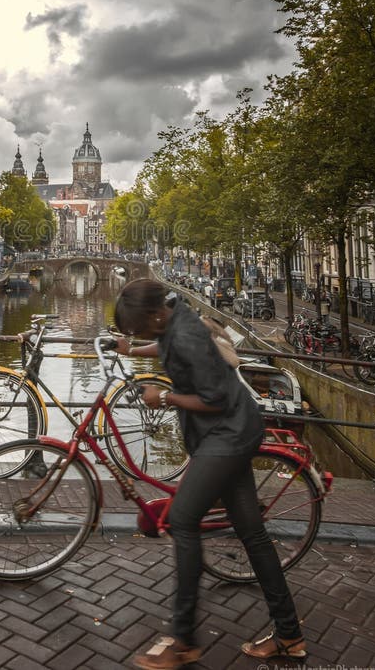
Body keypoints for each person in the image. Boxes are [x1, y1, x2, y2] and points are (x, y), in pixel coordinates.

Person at [113, 279, 306, 669]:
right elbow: (168, 344)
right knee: (252, 533)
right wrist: (133, 348)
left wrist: (163, 396)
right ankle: (289, 635)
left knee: (183, 520)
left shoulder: (184, 335)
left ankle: (184, 641)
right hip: (236, 429)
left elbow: (213, 400)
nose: (140, 334)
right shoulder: (176, 313)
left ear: (153, 315)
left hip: (227, 435)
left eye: (138, 329)